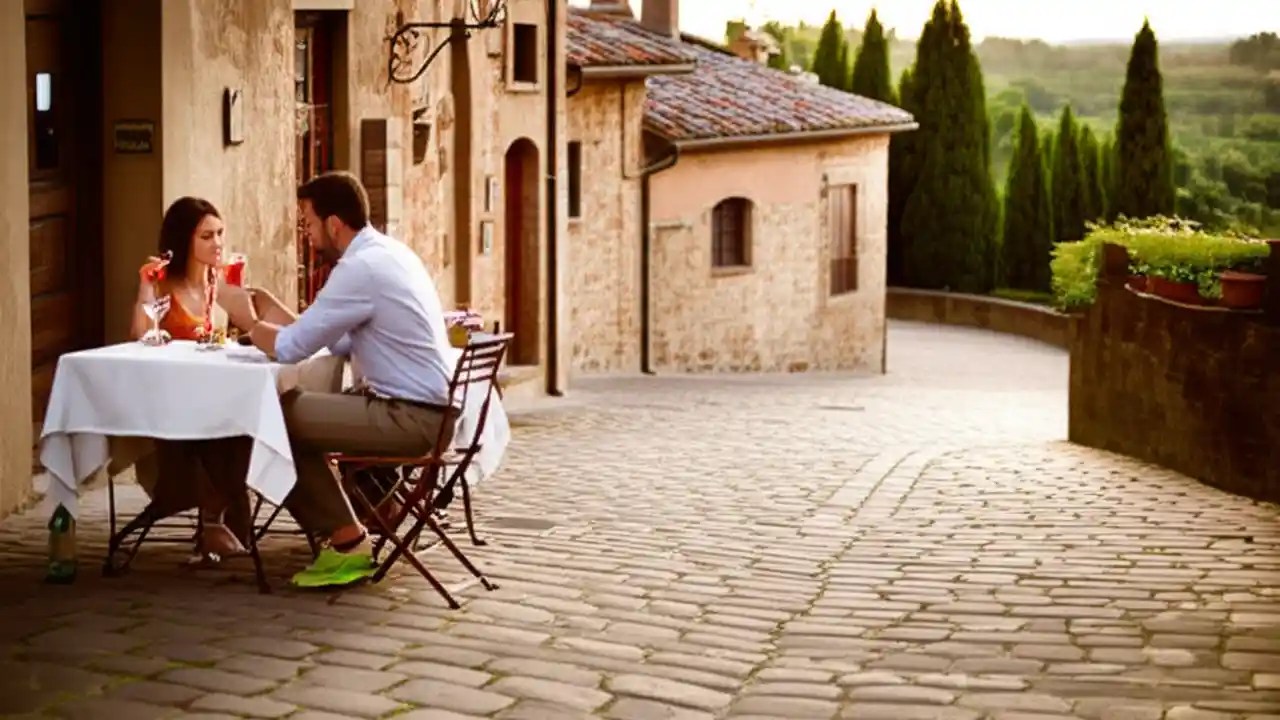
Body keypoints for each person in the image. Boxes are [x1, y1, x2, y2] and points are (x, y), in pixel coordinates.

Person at [218, 171, 458, 588]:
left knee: (268, 414)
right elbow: (334, 340)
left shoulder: (358, 268)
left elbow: (292, 348)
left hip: (410, 418)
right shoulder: (387, 254)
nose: (307, 234)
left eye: (308, 222)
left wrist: (246, 318)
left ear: (333, 224)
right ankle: (342, 532)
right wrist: (272, 315)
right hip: (429, 414)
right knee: (280, 411)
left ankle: (347, 541)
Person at [131, 197, 254, 557]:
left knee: (242, 429)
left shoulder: (221, 284)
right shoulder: (165, 287)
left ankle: (219, 524)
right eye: (206, 236)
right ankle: (216, 524)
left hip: (216, 399)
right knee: (227, 435)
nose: (217, 243)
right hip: (172, 406)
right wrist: (145, 287)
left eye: (220, 234)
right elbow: (140, 335)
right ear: (184, 240)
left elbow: (230, 338)